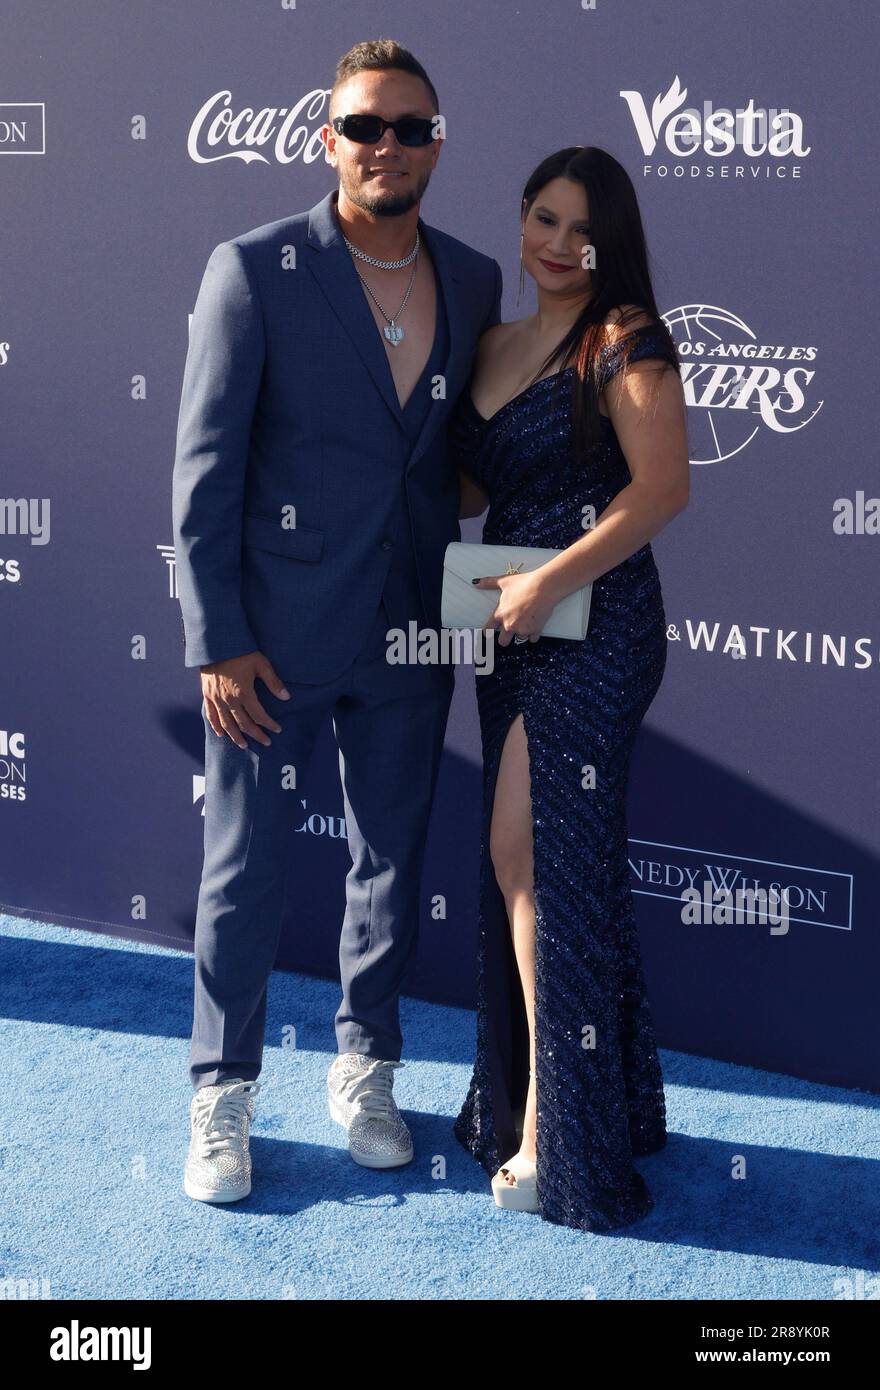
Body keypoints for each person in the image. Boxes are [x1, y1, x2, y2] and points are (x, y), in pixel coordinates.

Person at [172, 39, 501, 1202]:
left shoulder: (472, 280)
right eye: (365, 127)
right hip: (272, 632)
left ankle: (366, 1064)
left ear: (437, 143)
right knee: (247, 866)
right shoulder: (253, 269)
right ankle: (223, 1090)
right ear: (329, 139)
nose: (388, 147)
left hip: (409, 628)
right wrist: (214, 635)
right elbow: (205, 468)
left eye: (412, 127)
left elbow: (464, 457)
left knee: (389, 862)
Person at [448, 146, 689, 1231]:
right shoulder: (494, 341)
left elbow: (661, 489)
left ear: (609, 239)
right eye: (541, 218)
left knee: (530, 854)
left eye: (579, 229)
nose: (555, 243)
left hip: (597, 624)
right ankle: (609, 1099)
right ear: (520, 218)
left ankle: (555, 1131)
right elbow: (463, 483)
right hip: (505, 624)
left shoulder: (624, 336)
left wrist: (548, 577)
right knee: (549, 861)